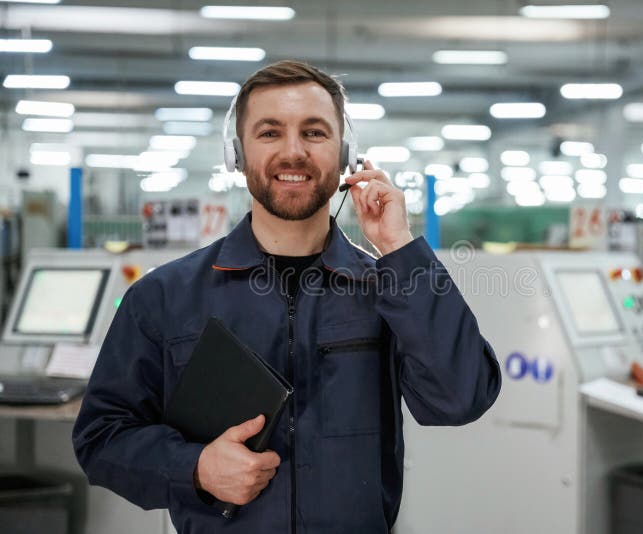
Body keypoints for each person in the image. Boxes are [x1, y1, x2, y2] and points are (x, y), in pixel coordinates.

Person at [72, 60, 501, 534]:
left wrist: (399, 250)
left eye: (314, 133)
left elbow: (461, 398)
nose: (293, 152)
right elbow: (101, 438)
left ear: (345, 154)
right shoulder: (165, 296)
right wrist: (195, 467)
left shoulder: (386, 289)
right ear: (238, 154)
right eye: (270, 133)